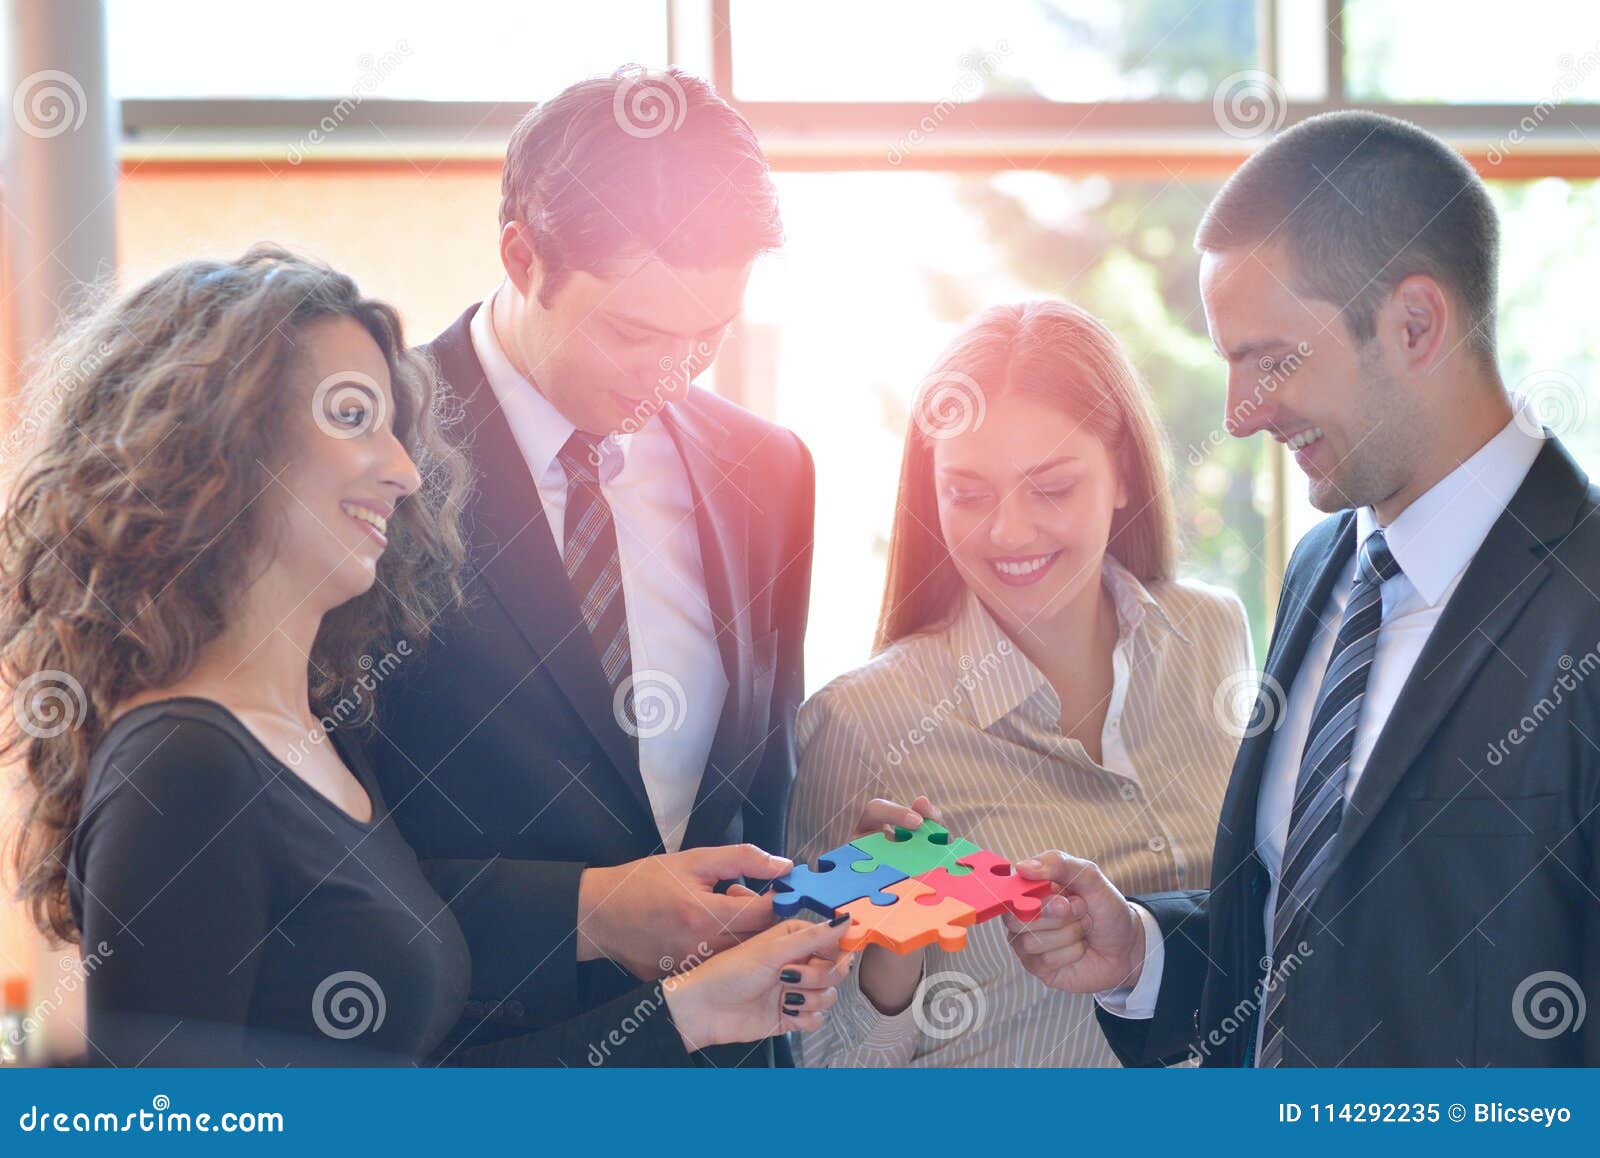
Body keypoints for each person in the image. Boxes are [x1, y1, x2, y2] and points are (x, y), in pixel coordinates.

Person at [0, 247, 848, 1066]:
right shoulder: (183, 767)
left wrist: (691, 1011)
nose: (408, 472)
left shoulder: (313, 741)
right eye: (352, 416)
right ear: (214, 442)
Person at [1008, 110, 1600, 1066]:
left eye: (1269, 359)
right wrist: (1145, 953)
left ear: (1415, 324)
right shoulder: (1325, 566)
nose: (1241, 415)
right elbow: (1320, 933)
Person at [363, 67, 816, 1065]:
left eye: (709, 335)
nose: (674, 377)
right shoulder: (365, 460)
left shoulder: (767, 472)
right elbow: (305, 861)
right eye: (636, 332)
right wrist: (585, 911)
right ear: (522, 256)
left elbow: (757, 791)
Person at [789, 300, 1252, 1066]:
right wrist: (889, 952)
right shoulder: (861, 722)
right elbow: (825, 1077)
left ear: (1123, 475)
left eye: (1052, 486)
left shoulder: (1211, 633)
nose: (1009, 532)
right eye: (968, 494)